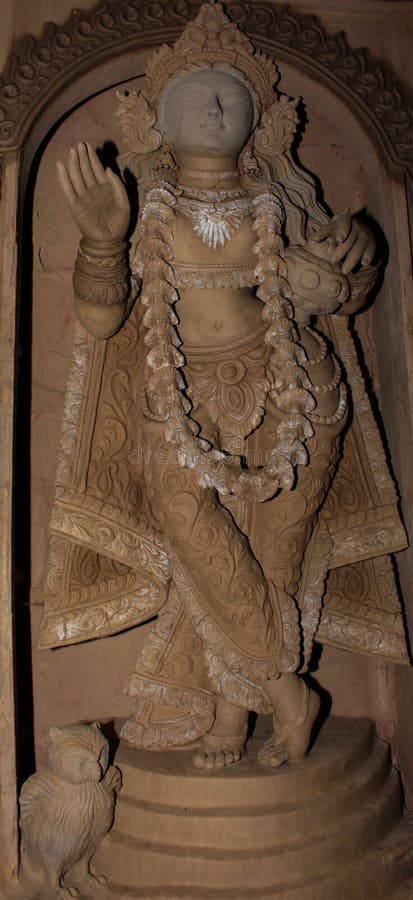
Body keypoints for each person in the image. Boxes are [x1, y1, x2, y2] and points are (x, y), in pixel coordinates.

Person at [55, 2, 378, 769]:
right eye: (192, 95)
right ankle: (289, 694)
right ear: (155, 122)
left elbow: (342, 292)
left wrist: (348, 259)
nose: (211, 103)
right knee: (201, 546)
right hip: (178, 402)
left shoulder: (284, 197)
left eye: (229, 94)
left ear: (257, 119)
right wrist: (102, 242)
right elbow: (102, 322)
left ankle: (234, 719)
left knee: (273, 562)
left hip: (298, 392)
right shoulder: (139, 203)